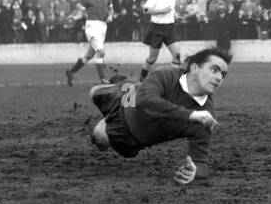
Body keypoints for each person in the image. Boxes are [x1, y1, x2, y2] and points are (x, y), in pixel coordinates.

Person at [88, 46, 231, 184]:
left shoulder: (205, 117)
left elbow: (200, 163)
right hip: (127, 100)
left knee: (99, 137)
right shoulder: (167, 75)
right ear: (194, 68)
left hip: (129, 136)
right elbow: (144, 100)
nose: (219, 78)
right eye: (214, 70)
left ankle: (122, 93)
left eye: (223, 74)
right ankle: (122, 84)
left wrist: (195, 171)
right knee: (94, 92)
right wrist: (189, 115)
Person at [66, 0, 113, 85]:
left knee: (88, 55)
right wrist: (74, 18)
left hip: (102, 27)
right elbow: (80, 14)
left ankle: (71, 72)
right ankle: (103, 80)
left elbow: (111, 9)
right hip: (92, 26)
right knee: (101, 52)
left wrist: (110, 16)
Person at [140, 0, 182, 79]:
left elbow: (172, 9)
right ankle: (142, 77)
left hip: (170, 28)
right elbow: (146, 10)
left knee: (177, 56)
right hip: (156, 28)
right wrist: (161, 11)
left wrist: (176, 15)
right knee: (153, 58)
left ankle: (173, 81)